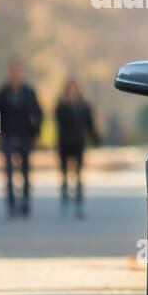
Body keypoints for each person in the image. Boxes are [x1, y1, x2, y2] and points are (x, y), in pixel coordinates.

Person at [0, 58, 43, 217]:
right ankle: (11, 204)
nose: (15, 74)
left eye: (18, 70)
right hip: (7, 136)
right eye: (13, 70)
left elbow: (39, 114)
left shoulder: (29, 92)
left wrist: (36, 133)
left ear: (22, 72)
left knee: (26, 171)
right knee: (9, 171)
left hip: (25, 136)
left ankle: (26, 201)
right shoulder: (2, 92)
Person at [54, 78, 99, 218]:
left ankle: (79, 204)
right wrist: (65, 105)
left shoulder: (83, 106)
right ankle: (65, 202)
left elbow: (89, 124)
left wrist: (95, 138)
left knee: (79, 175)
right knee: (65, 175)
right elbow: (58, 120)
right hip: (64, 143)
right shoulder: (61, 106)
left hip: (78, 143)